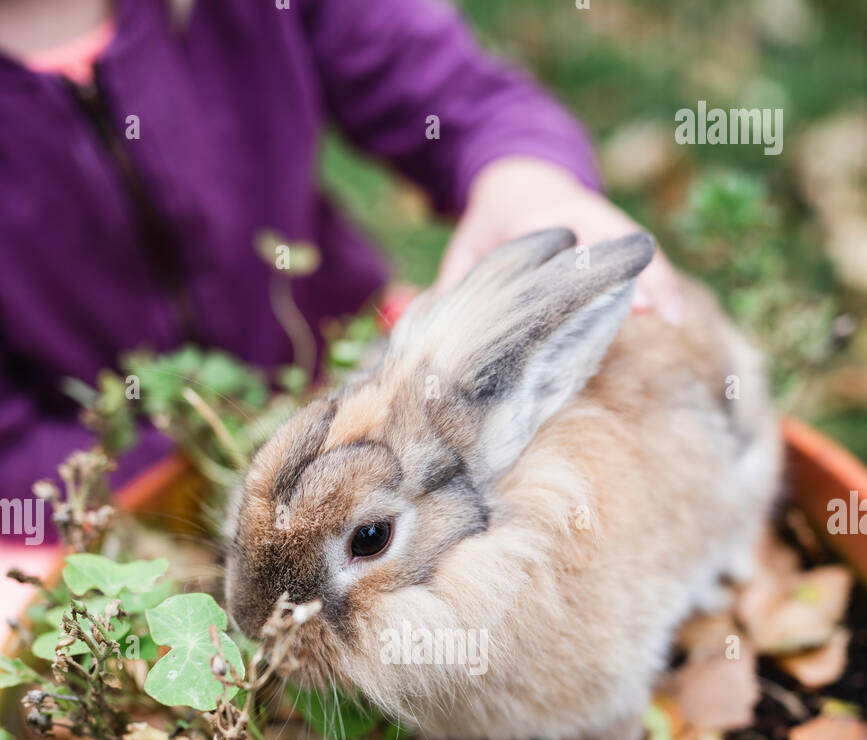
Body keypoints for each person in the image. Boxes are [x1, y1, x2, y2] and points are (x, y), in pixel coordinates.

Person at [0, 0, 680, 506]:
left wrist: (523, 178)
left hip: (349, 362)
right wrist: (182, 484)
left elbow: (456, 95)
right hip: (87, 476)